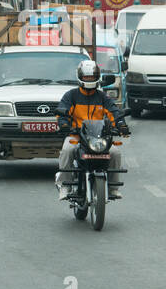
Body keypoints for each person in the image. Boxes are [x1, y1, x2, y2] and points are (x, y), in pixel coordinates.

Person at [54, 60, 129, 200]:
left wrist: (121, 125)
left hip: (99, 137)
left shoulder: (102, 97)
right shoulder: (71, 95)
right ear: (80, 76)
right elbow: (62, 112)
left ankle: (113, 187)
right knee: (67, 151)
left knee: (115, 153)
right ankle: (64, 185)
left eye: (91, 76)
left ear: (97, 77)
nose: (89, 79)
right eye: (86, 76)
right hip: (76, 135)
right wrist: (64, 125)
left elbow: (114, 112)